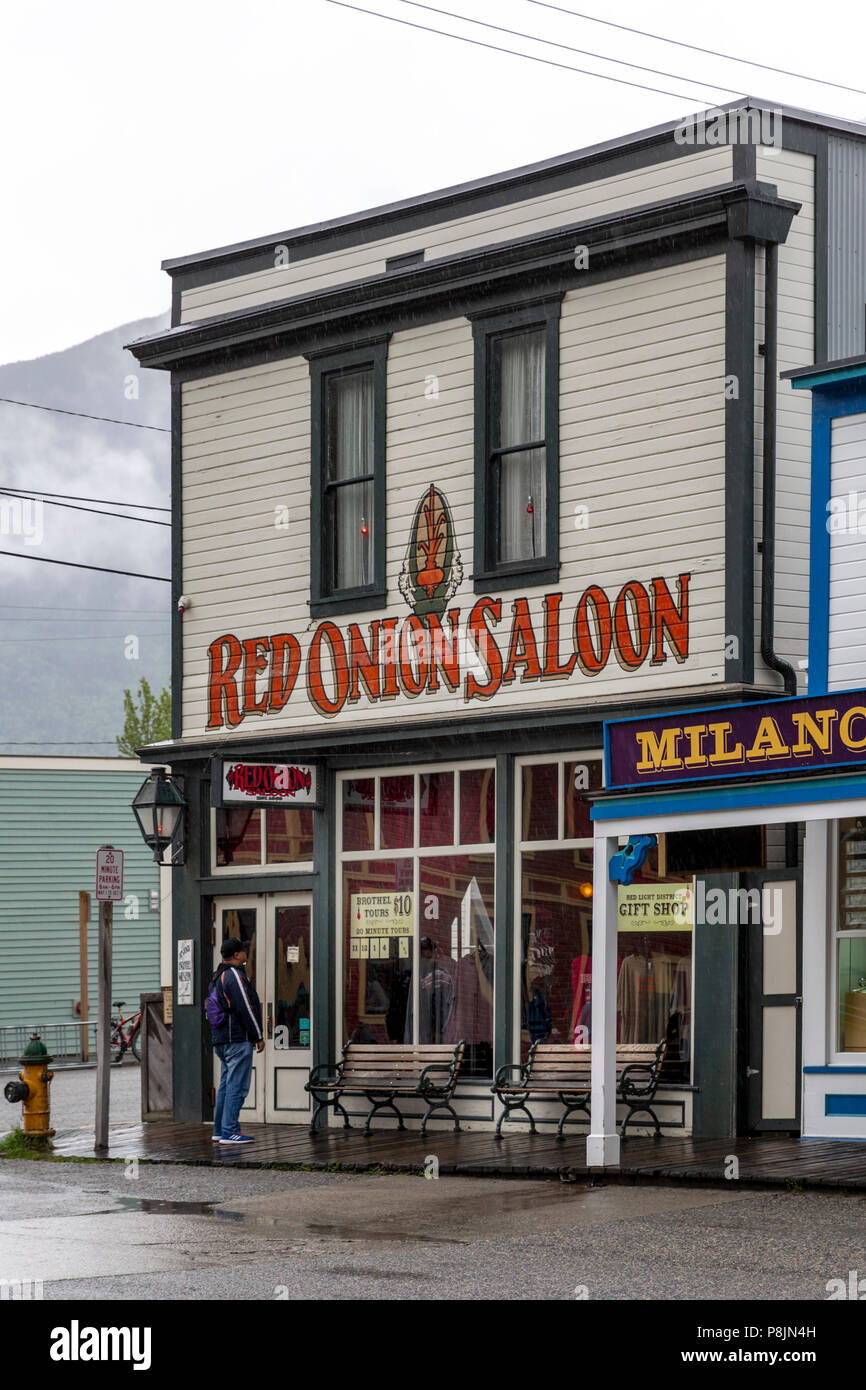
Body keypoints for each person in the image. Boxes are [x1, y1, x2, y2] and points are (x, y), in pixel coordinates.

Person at [208, 937, 264, 1144]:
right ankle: (230, 1130)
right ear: (237, 955)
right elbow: (245, 1007)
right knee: (237, 1086)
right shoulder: (233, 975)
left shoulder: (217, 976)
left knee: (224, 1085)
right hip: (237, 1039)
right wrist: (257, 1035)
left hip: (221, 1039)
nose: (246, 953)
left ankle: (219, 1130)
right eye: (243, 951)